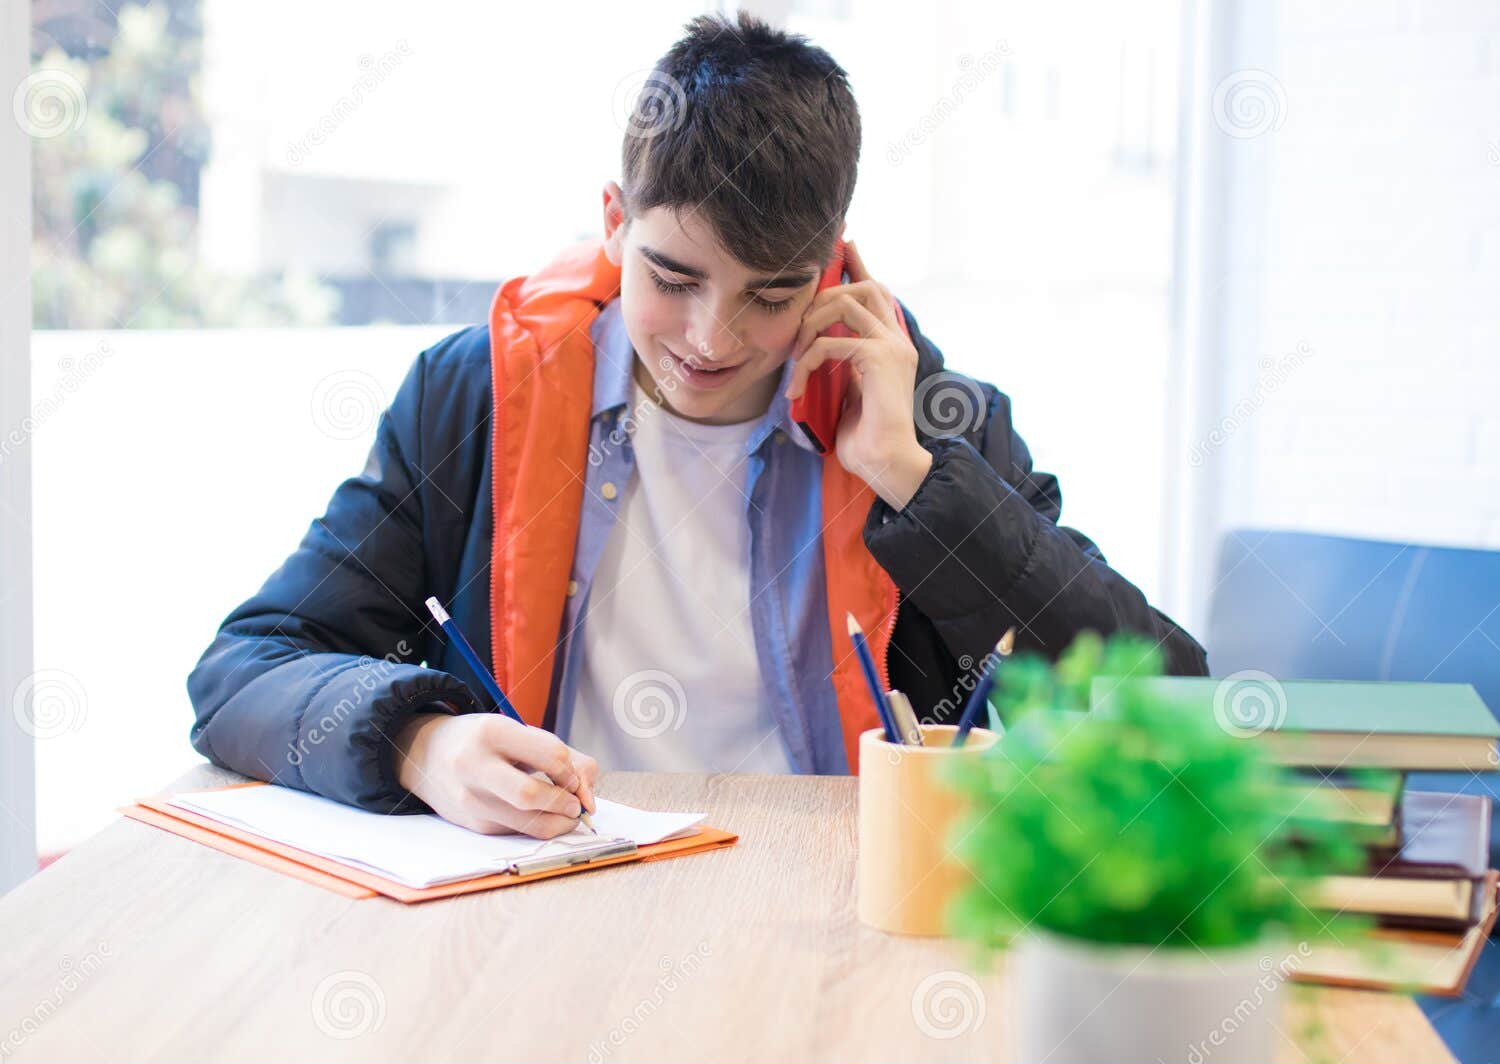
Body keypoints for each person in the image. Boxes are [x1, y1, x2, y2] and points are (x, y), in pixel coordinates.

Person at [187, 12, 1206, 841]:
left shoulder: (931, 424)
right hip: (550, 891)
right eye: (672, 278)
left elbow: (1160, 703)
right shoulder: (473, 397)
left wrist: (911, 478)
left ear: (835, 267)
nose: (711, 338)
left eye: (770, 295)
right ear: (613, 221)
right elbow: (247, 667)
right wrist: (419, 742)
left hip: (844, 905)